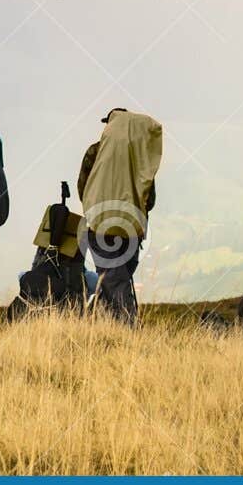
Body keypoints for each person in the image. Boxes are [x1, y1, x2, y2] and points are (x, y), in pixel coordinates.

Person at [76, 107, 162, 324]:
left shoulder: (95, 151)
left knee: (113, 280)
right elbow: (149, 199)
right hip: (134, 228)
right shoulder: (141, 157)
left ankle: (128, 328)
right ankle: (104, 327)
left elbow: (83, 188)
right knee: (117, 279)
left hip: (100, 225)